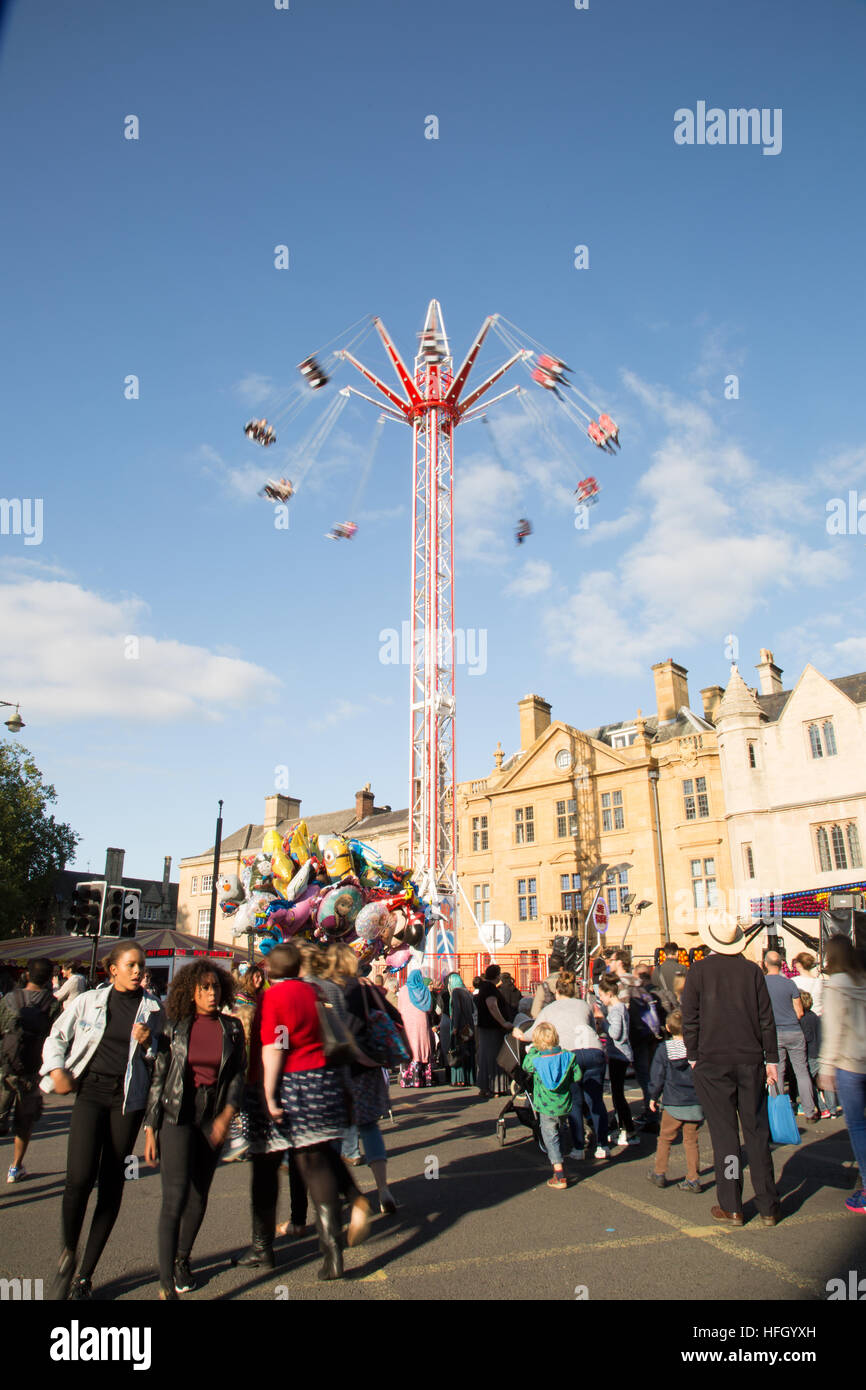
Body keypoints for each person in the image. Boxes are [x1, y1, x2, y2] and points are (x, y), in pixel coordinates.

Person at [42, 941, 165, 1299]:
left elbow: (158, 1062)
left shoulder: (153, 1009)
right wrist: (56, 1069)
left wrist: (146, 1044)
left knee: (112, 1185)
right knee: (78, 1178)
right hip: (91, 1094)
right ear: (112, 969)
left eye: (141, 965)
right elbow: (57, 1037)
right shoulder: (88, 1001)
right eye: (130, 965)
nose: (138, 970)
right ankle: (68, 1252)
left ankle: (85, 1275)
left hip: (126, 1102)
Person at [260, 944, 369, 1281]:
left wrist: (269, 1092)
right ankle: (348, 1210)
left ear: (271, 971)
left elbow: (277, 1045)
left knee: (310, 1163)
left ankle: (333, 1251)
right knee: (318, 1157)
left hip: (297, 1083)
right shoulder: (314, 991)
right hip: (326, 1080)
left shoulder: (276, 998)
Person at [144, 962, 245, 1299]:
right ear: (191, 992)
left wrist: (226, 1115)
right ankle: (163, 1282)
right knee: (175, 1197)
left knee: (199, 1193)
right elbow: (159, 1079)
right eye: (204, 988)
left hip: (212, 1116)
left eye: (215, 987)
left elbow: (236, 1078)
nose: (212, 993)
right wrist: (150, 1127)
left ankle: (181, 1259)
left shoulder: (232, 1029)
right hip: (178, 1114)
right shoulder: (174, 1027)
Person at [681, 916, 780, 1227]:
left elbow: (690, 1017)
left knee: (725, 1137)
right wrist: (772, 1059)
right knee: (757, 1134)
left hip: (712, 1060)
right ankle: (768, 1205)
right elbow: (767, 1018)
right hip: (750, 1058)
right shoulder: (752, 970)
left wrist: (694, 1054)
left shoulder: (698, 970)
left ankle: (732, 1205)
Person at [514, 969, 609, 1158]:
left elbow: (534, 1032)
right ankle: (602, 1145)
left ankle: (579, 1147)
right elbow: (591, 1026)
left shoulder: (550, 1009)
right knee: (596, 1100)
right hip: (594, 1050)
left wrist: (519, 1033)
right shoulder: (584, 1005)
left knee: (574, 1101)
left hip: (570, 1054)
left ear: (557, 992)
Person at [339, 946, 402, 1213]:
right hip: (370, 1068)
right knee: (371, 1128)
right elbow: (395, 1018)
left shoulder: (331, 991)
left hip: (343, 1070)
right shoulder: (368, 990)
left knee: (337, 1131)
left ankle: (348, 1194)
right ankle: (383, 1189)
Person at [817, 934, 866, 1214]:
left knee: (859, 1127)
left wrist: (825, 1068)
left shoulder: (835, 986)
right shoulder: (862, 981)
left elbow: (833, 1030)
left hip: (849, 1064)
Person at [0, 959, 62, 1178]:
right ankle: (15, 1166)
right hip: (32, 1071)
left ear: (26, 975)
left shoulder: (8, 999)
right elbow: (56, 1038)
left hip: (5, 1068)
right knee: (24, 1123)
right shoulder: (52, 1005)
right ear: (48, 979)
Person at [647, 1010, 704, 1192]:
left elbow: (658, 1075)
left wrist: (653, 1096)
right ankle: (693, 1178)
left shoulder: (664, 1049)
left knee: (665, 1138)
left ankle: (660, 1172)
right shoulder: (697, 1048)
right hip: (695, 1101)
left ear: (668, 1028)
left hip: (673, 1101)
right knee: (691, 1140)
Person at [522, 1022, 581, 1190]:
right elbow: (577, 1076)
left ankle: (559, 1172)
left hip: (546, 1105)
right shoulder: (568, 1056)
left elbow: (526, 1066)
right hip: (563, 1103)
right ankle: (563, 1158)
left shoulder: (536, 1060)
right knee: (561, 1130)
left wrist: (533, 1049)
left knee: (550, 1137)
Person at [763, 951, 818, 1122]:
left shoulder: (761, 983)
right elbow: (799, 1011)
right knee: (801, 1071)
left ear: (765, 964)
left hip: (773, 1032)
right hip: (794, 1031)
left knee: (776, 1071)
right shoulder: (790, 984)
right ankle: (810, 1111)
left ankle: (778, 1113)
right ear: (781, 964)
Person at [597, 974, 639, 1146]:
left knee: (618, 1096)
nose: (600, 998)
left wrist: (602, 1021)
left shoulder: (616, 1010)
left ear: (609, 994)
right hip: (619, 1055)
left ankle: (628, 1130)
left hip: (619, 1056)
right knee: (617, 1094)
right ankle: (623, 1127)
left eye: (601, 995)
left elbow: (616, 1034)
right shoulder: (619, 1008)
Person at [796, 991, 835, 1119]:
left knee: (808, 1082)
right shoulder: (815, 1016)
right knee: (826, 1081)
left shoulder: (803, 1019)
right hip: (821, 1052)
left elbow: (807, 1037)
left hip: (811, 1053)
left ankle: (823, 1108)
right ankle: (832, 1108)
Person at [475, 964, 513, 1098]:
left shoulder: (483, 988)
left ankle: (485, 1086)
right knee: (495, 1057)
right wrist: (503, 1022)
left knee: (485, 1057)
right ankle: (496, 1087)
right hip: (493, 1028)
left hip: (485, 1027)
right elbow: (492, 1006)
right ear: (497, 975)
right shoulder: (490, 989)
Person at [396, 969, 436, 1088]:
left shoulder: (403, 990)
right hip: (421, 1022)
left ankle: (407, 1080)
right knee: (421, 1047)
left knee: (410, 1047)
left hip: (407, 1023)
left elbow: (399, 1008)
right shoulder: (424, 990)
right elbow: (429, 1008)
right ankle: (422, 1079)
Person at [445, 972, 476, 1087]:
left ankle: (459, 1079)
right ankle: (470, 1078)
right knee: (468, 1052)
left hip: (459, 1026)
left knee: (457, 1052)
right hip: (468, 1026)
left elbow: (456, 1011)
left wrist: (455, 1027)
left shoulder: (456, 993)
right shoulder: (466, 992)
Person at [531, 952, 564, 1019]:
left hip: (549, 1023)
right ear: (561, 968)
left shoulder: (543, 986)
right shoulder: (570, 983)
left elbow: (535, 1012)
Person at [791, 952, 824, 1016]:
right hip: (818, 1017)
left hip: (801, 1017)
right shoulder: (820, 982)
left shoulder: (793, 981)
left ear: (799, 965)